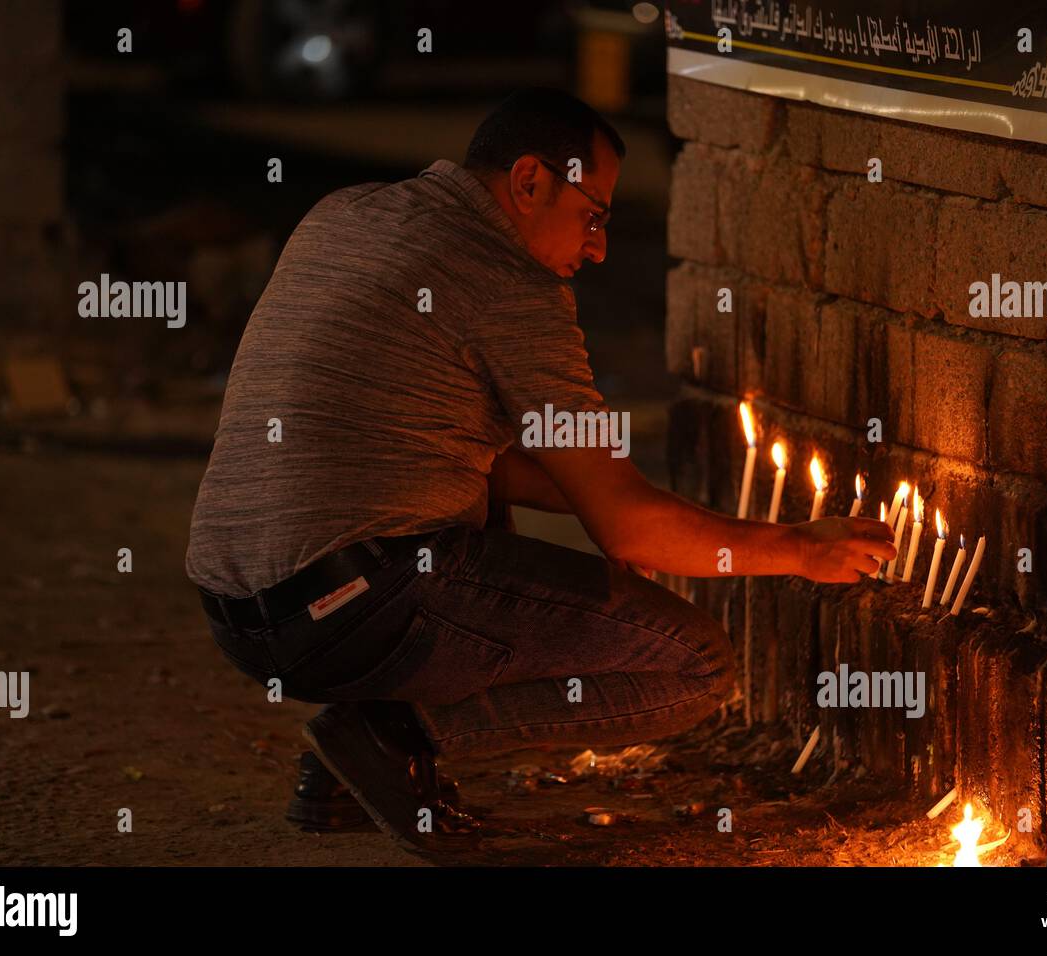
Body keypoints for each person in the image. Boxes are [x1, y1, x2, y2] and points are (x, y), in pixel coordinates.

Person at [186, 88, 896, 853]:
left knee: (478, 507)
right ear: (530, 181)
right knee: (693, 666)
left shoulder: (345, 213)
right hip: (354, 603)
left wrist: (644, 504)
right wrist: (799, 549)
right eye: (593, 214)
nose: (596, 248)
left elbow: (494, 463)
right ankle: (392, 736)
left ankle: (346, 772)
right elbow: (625, 527)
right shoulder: (510, 284)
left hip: (237, 608)